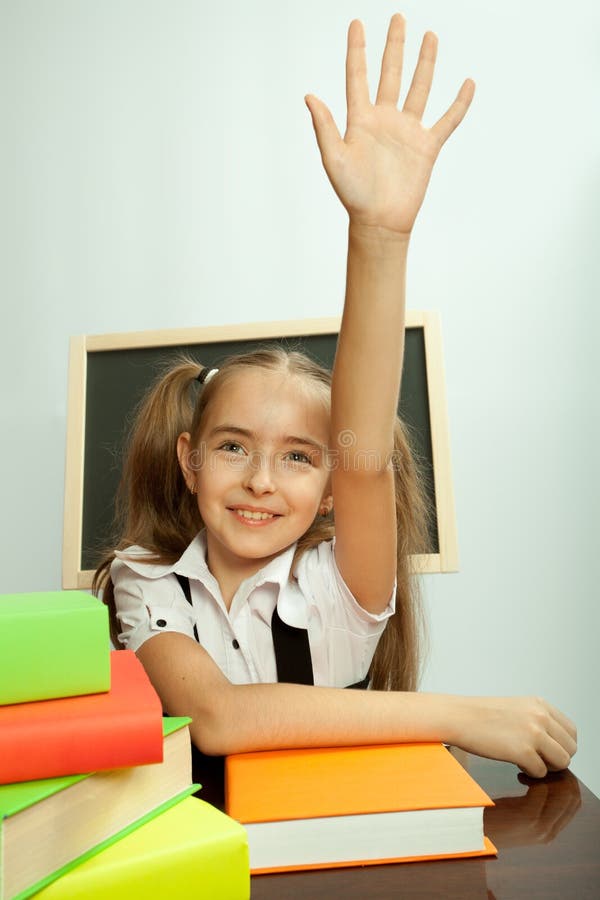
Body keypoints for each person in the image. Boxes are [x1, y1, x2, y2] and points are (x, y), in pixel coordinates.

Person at [94, 13, 576, 780]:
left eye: (297, 458)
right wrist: (459, 712)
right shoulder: (146, 577)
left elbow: (363, 457)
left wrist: (379, 238)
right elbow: (214, 717)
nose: (259, 479)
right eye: (232, 446)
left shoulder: (340, 586)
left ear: (327, 490)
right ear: (188, 460)